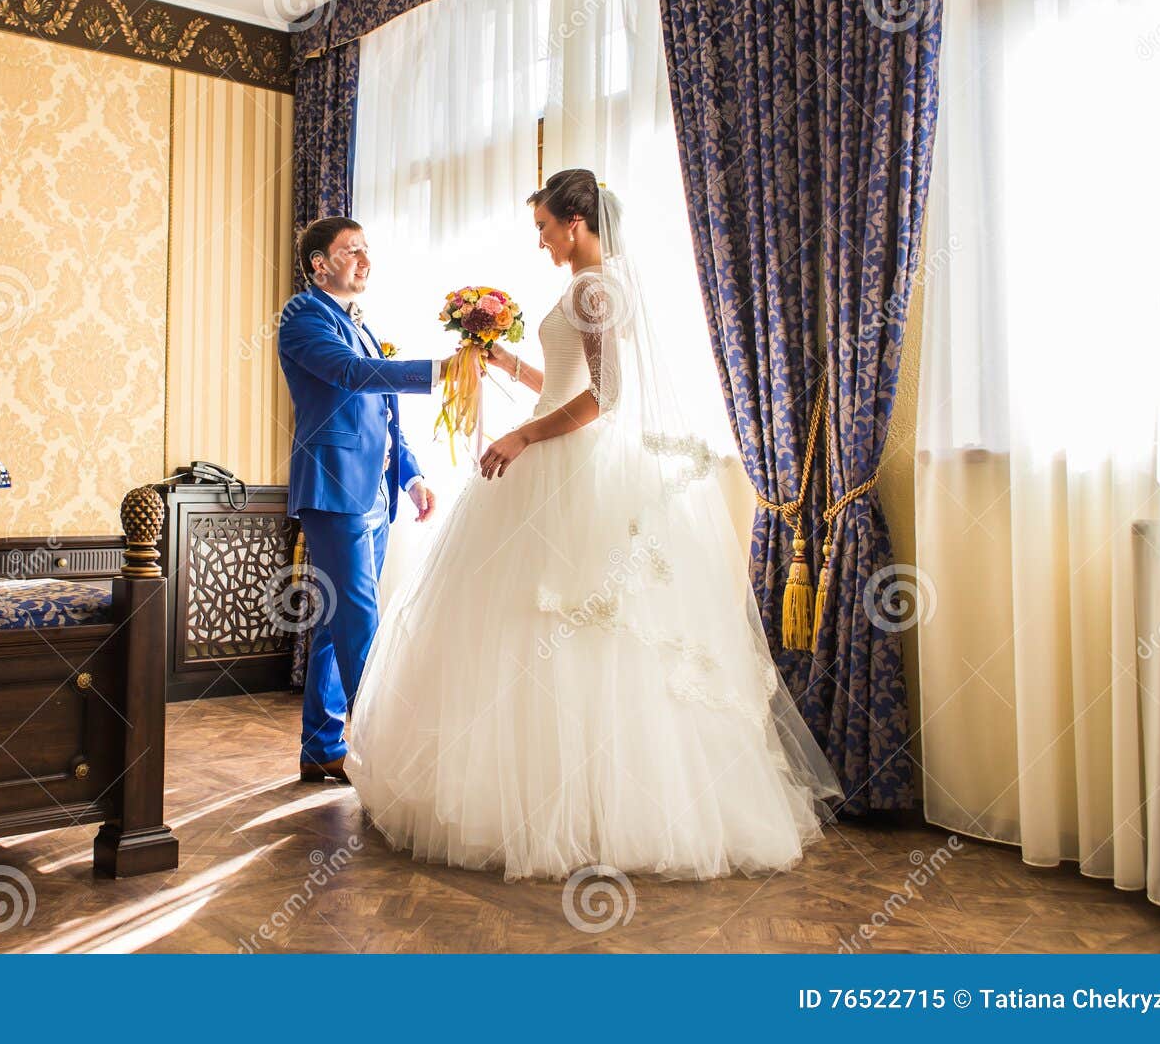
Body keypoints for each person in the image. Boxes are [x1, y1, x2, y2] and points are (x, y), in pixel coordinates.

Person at [346, 169, 842, 880]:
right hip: (561, 451)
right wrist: (504, 360)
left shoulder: (593, 288)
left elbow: (606, 397)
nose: (541, 241)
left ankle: (580, 811)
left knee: (562, 623)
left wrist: (523, 436)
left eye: (544, 227)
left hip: (570, 465)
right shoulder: (589, 286)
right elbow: (565, 383)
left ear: (574, 223)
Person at [276, 217, 455, 784]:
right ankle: (384, 760)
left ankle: (321, 747)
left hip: (375, 492)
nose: (364, 260)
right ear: (319, 264)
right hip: (335, 489)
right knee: (360, 620)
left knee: (336, 623)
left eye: (366, 250)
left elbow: (380, 413)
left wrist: (411, 476)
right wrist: (441, 372)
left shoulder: (359, 322)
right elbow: (351, 374)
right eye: (351, 250)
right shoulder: (303, 317)